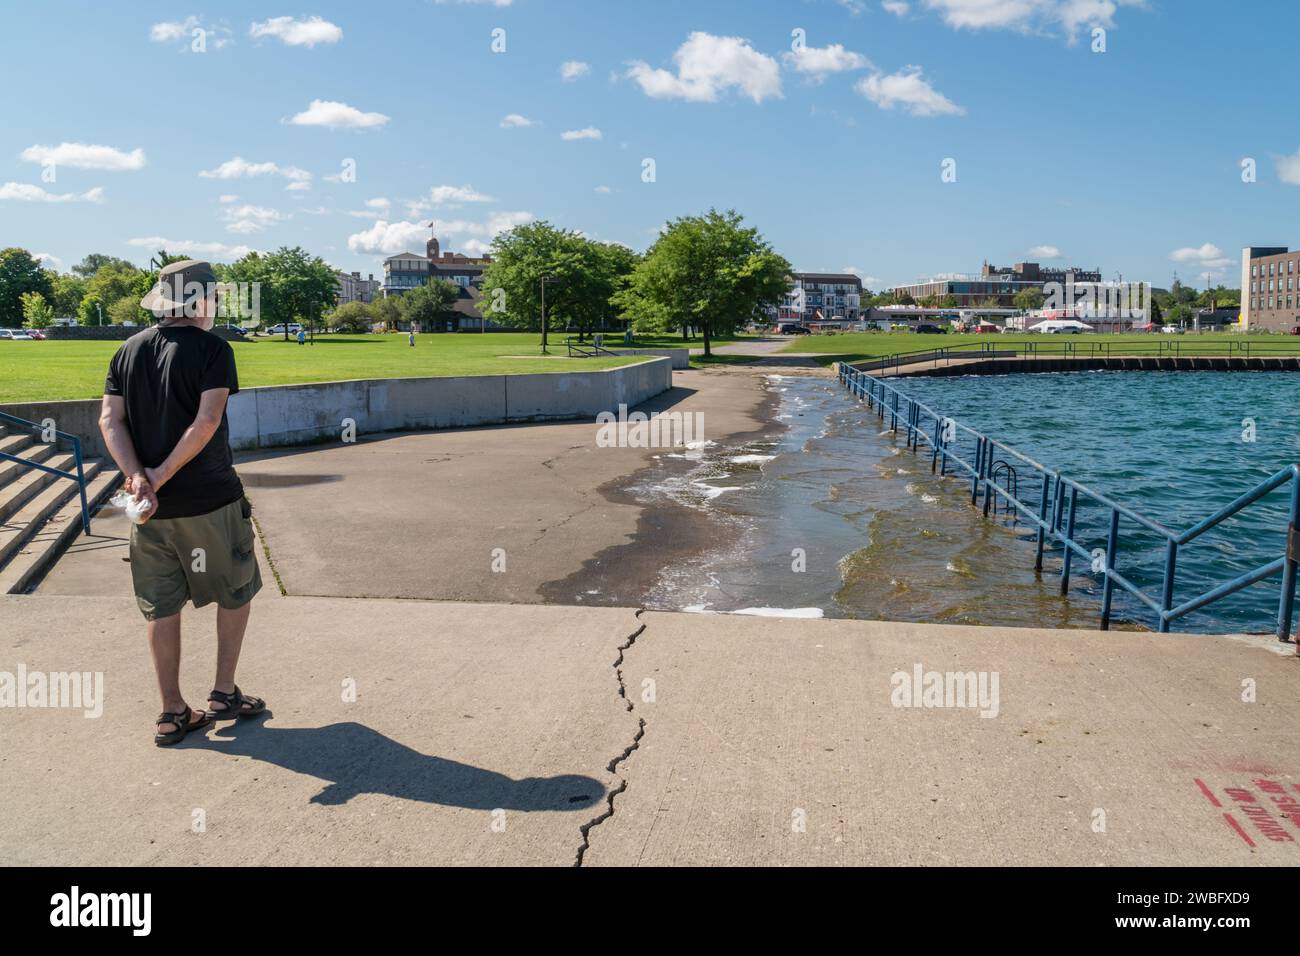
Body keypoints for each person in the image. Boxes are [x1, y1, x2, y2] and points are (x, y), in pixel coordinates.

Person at [98, 259, 266, 746]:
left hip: (148, 512)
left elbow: (111, 421)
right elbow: (207, 420)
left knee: (160, 607)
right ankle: (223, 693)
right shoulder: (214, 349)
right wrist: (159, 476)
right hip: (210, 500)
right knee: (236, 591)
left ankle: (172, 711)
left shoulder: (127, 351)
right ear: (200, 302)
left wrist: (139, 480)